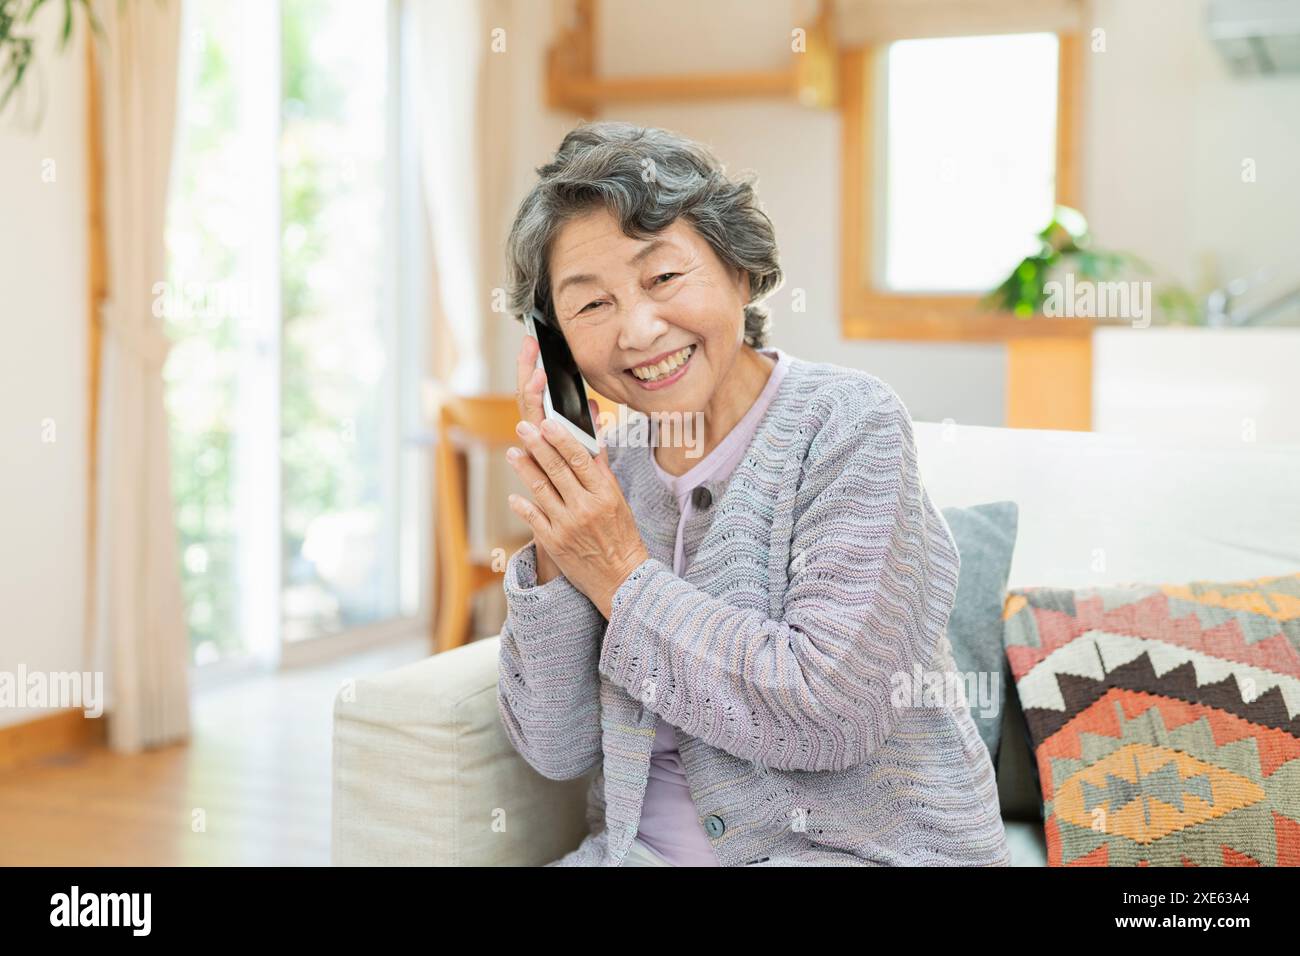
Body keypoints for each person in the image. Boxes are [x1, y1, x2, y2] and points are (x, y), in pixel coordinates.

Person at [495, 120, 1009, 867]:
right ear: (555, 344)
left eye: (663, 278)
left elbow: (829, 716)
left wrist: (619, 572)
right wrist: (559, 520)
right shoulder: (614, 477)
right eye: (591, 306)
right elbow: (554, 745)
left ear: (739, 269)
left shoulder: (849, 425)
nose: (637, 329)